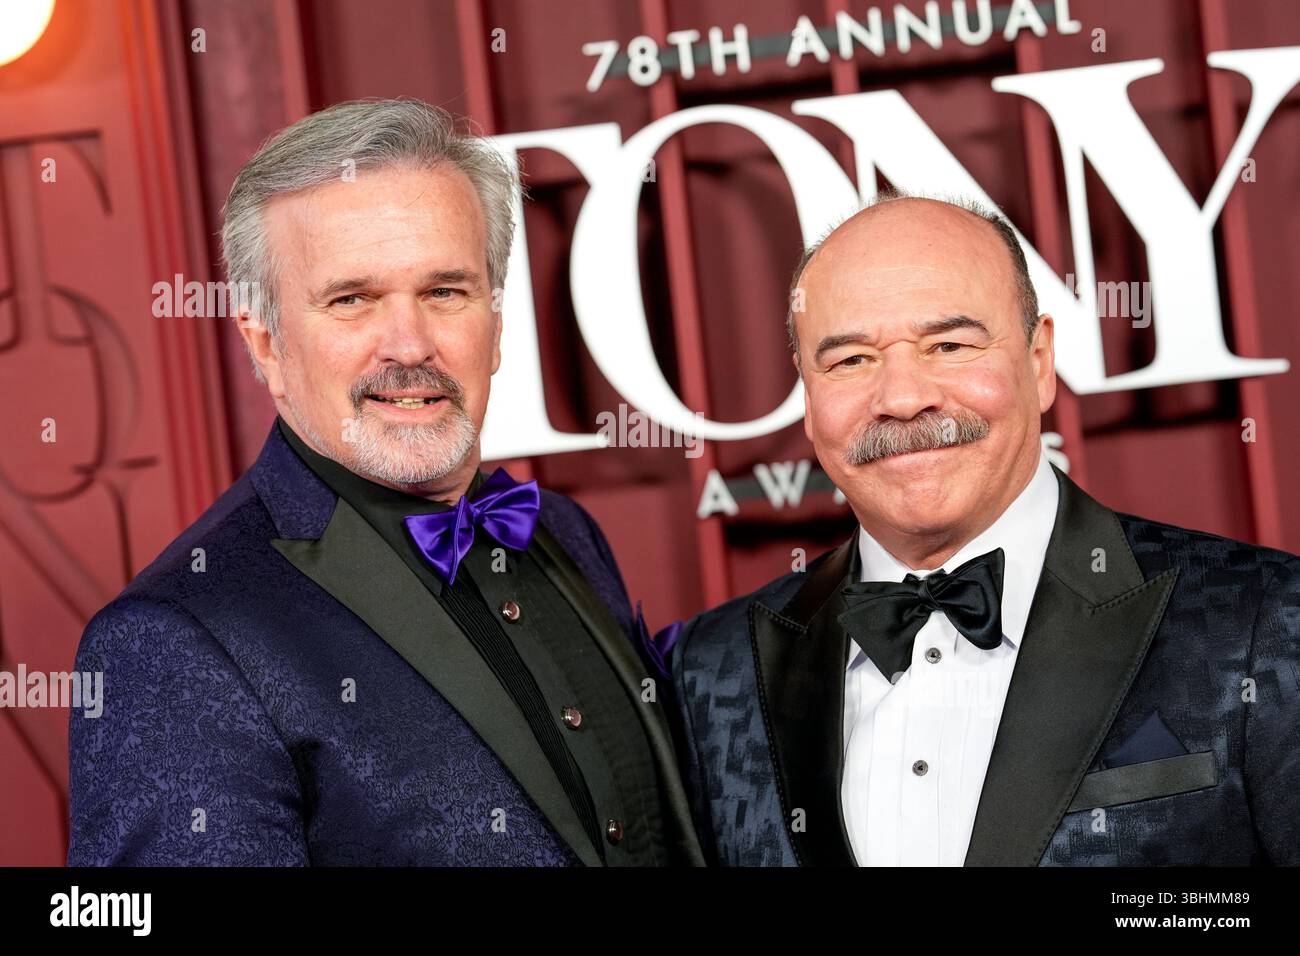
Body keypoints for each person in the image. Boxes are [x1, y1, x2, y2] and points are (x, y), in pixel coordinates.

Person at [68, 98, 703, 867]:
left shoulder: (563, 533)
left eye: (445, 292)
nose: (409, 343)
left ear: (496, 324)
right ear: (264, 342)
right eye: (352, 300)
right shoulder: (172, 641)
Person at [669, 191, 1299, 866]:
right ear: (807, 392)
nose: (904, 398)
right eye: (850, 359)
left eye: (948, 344)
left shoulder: (1264, 620)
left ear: (1037, 361)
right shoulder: (712, 669)